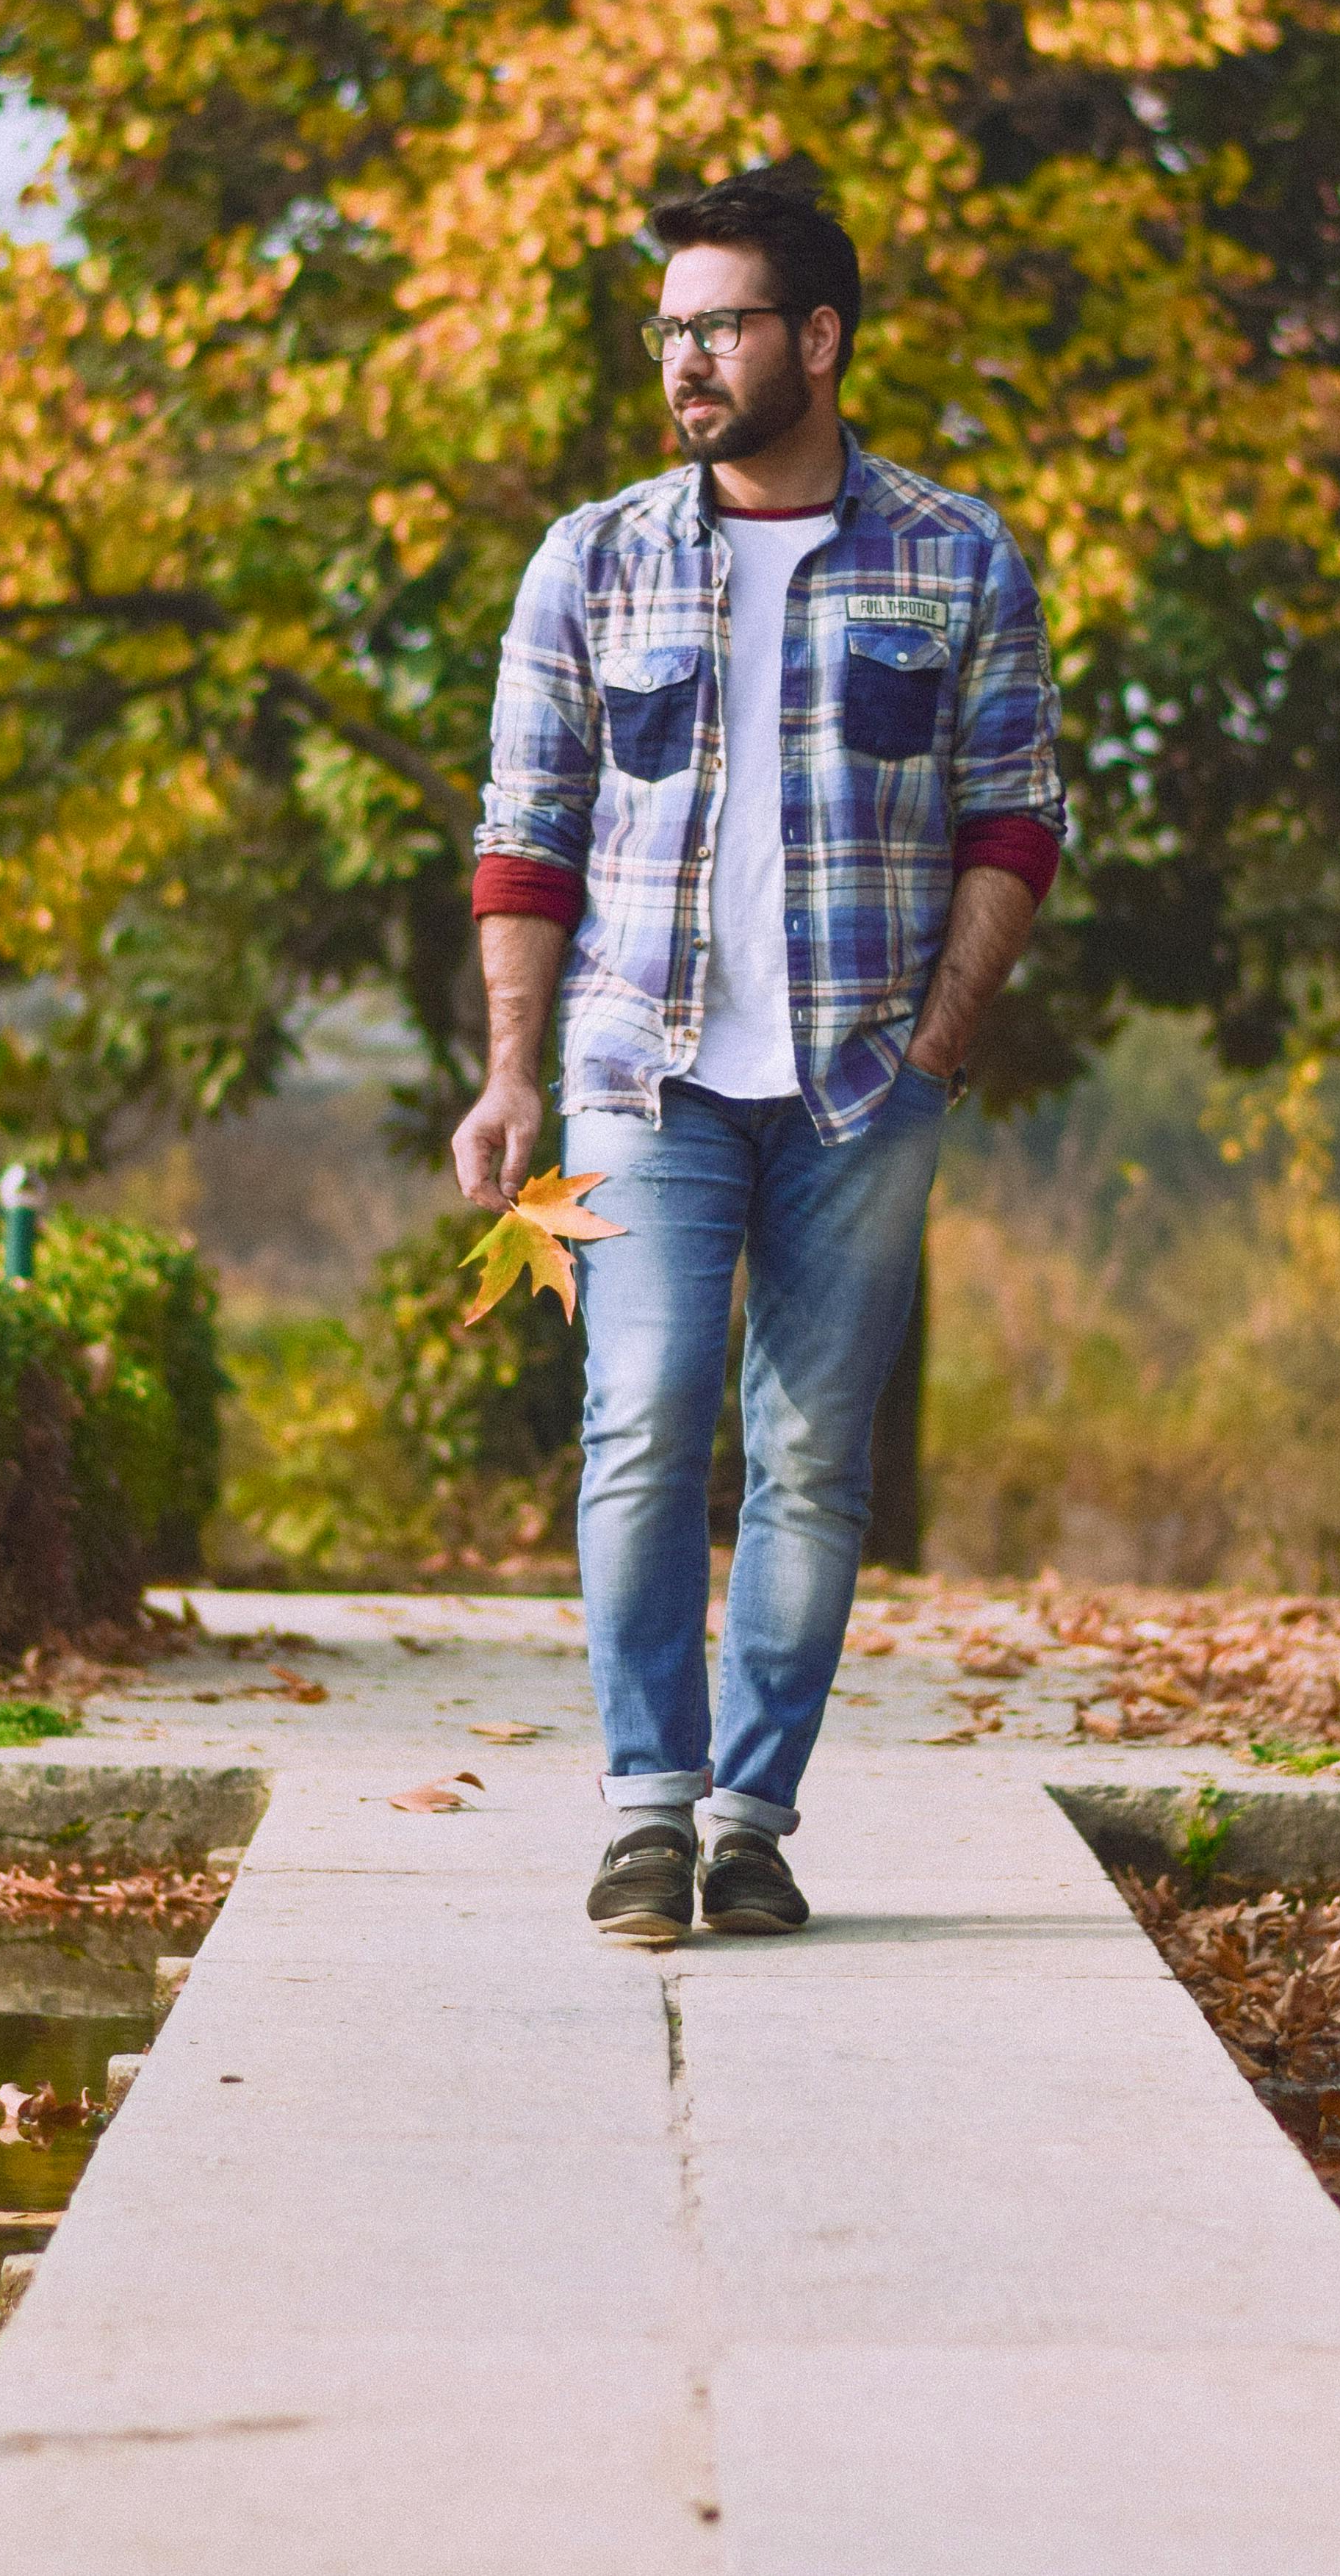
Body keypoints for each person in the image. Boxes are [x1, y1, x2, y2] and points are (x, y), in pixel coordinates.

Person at [453, 158, 1064, 1946]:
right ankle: (645, 1805)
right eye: (668, 331)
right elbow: (524, 831)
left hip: (866, 1086)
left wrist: (944, 1036)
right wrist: (509, 1068)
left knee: (811, 1454)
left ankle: (750, 1813)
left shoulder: (957, 557)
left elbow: (1015, 817)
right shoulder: (596, 557)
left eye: (718, 325)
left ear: (818, 335)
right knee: (638, 1420)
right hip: (638, 1073)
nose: (684, 362)